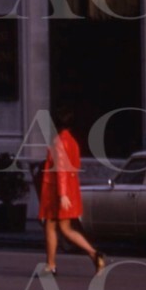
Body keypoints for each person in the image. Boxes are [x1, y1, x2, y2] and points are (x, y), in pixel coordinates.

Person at [39, 110, 104, 276]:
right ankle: (95, 255)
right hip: (69, 189)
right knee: (65, 228)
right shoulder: (72, 142)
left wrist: (62, 194)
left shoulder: (58, 142)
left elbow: (60, 168)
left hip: (57, 192)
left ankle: (51, 265)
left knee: (51, 226)